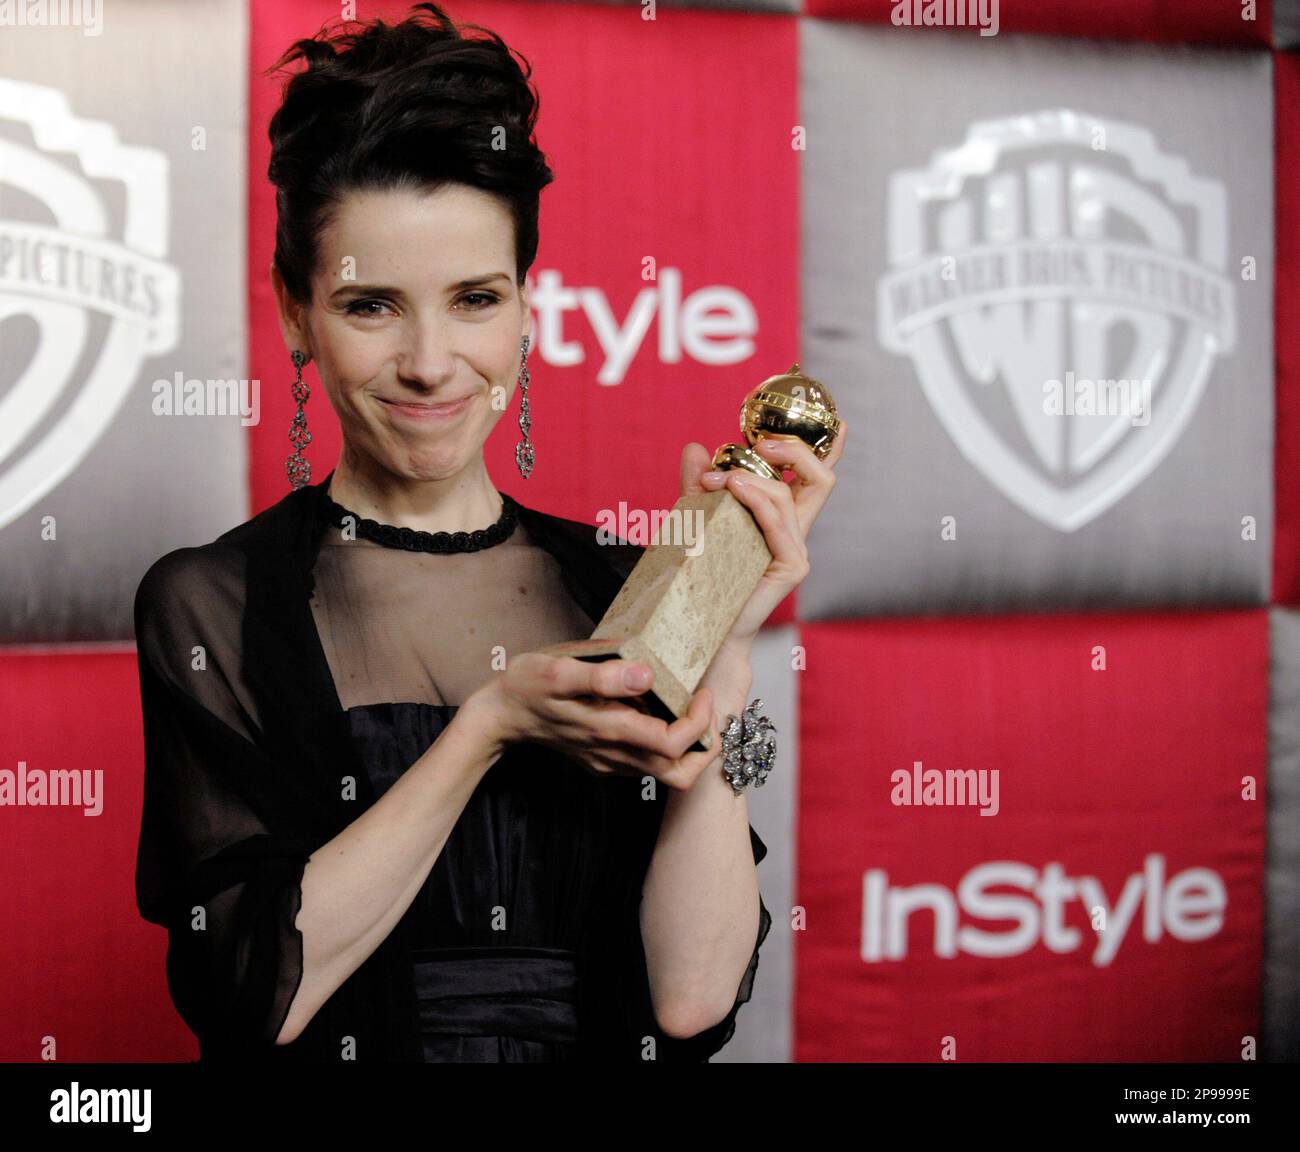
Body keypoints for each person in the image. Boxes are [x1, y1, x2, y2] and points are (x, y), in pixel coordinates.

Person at [133, 2, 844, 1063]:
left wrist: (724, 644)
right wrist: (489, 725)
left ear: (526, 309)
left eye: (474, 299)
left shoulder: (622, 584)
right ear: (294, 309)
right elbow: (255, 999)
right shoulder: (215, 604)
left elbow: (692, 1001)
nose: (431, 362)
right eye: (371, 305)